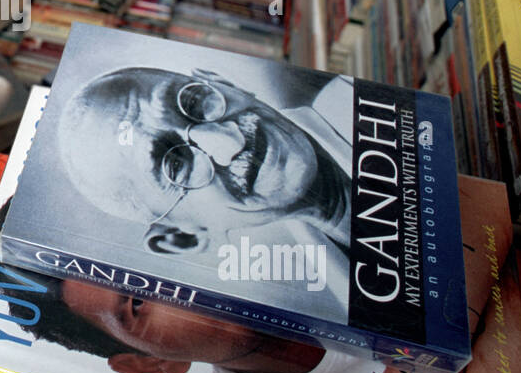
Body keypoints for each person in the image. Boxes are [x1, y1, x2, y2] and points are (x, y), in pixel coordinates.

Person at [0, 200, 372, 373]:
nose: (180, 281)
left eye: (151, 246)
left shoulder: (307, 205)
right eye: (136, 302)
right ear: (149, 363)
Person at [56, 65, 352, 257]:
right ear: (181, 236)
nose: (228, 141)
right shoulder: (337, 295)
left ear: (222, 81)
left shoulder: (362, 102)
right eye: (176, 166)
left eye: (193, 102)